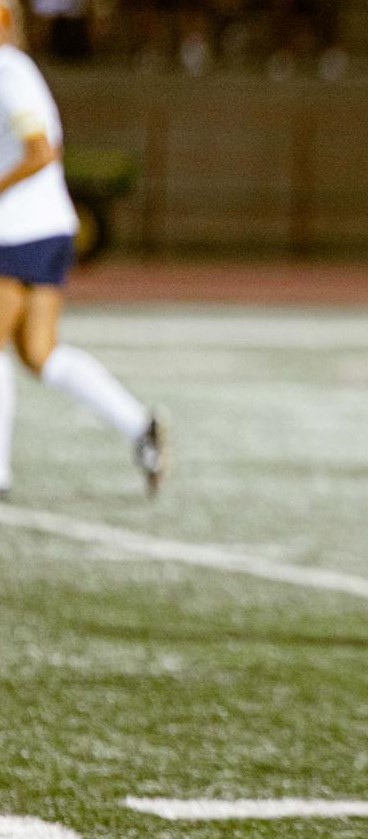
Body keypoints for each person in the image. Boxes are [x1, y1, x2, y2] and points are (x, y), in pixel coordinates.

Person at [0, 0, 164, 499]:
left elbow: (42, 151)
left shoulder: (8, 69)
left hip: (20, 229)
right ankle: (139, 426)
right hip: (45, 225)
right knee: (39, 353)